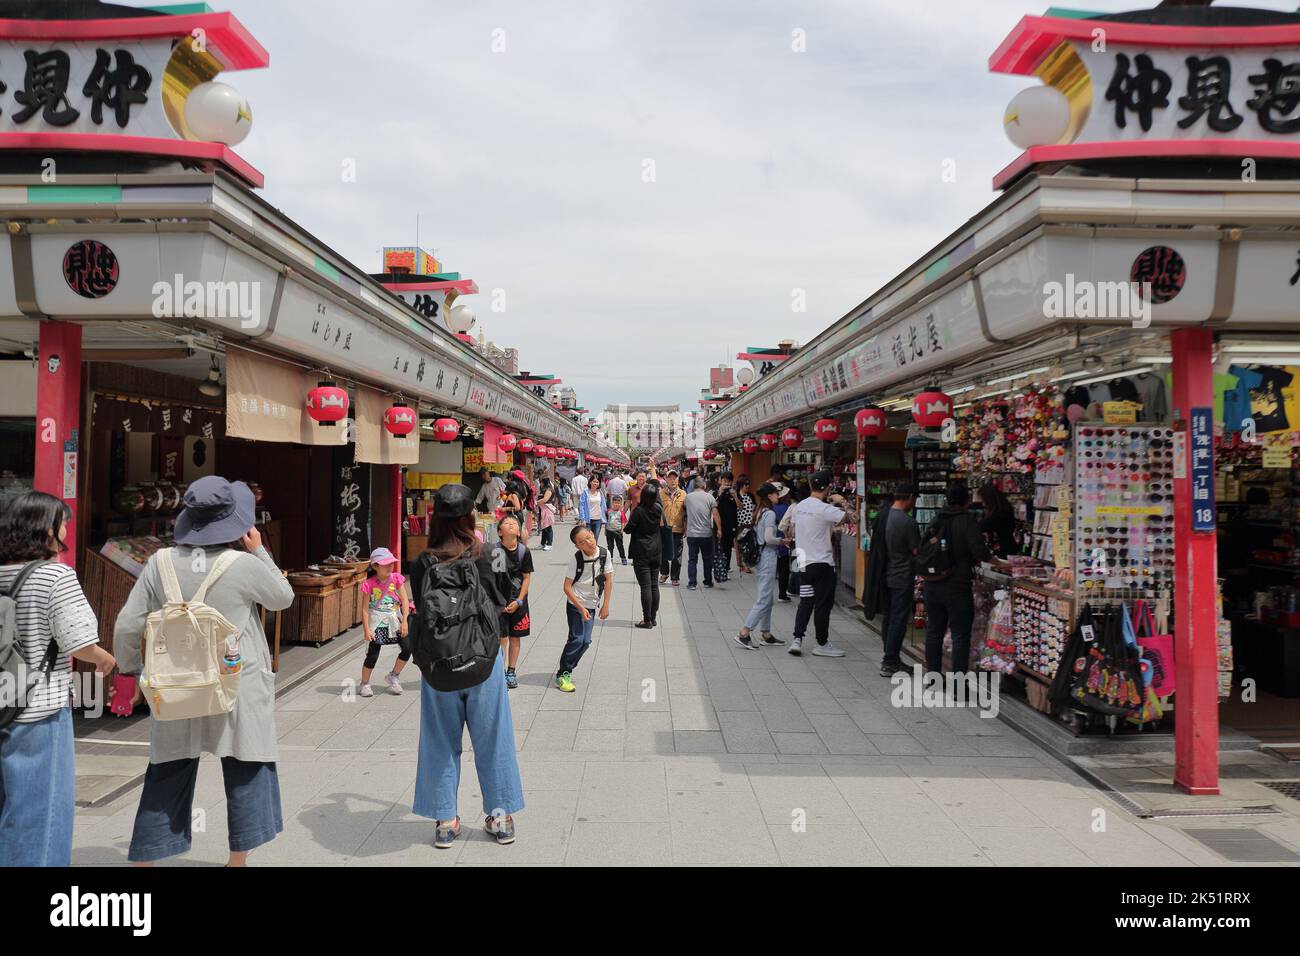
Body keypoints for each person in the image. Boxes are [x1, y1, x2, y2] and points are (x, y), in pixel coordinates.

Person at [115, 476, 295, 866]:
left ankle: (146, 860)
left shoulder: (159, 562)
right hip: (235, 684)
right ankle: (237, 862)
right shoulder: (243, 564)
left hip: (176, 683)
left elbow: (128, 624)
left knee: (168, 770)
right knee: (245, 765)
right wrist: (261, 551)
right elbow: (282, 598)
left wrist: (133, 673)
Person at [0, 491, 116, 867]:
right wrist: (105, 660)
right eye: (61, 521)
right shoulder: (55, 575)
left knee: (8, 814)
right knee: (41, 817)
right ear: (46, 529)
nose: (65, 528)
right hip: (38, 713)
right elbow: (80, 643)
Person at [408, 483, 523, 848]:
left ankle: (445, 820)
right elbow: (505, 593)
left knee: (440, 740)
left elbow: (420, 612)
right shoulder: (489, 552)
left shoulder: (424, 561)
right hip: (484, 662)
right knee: (493, 737)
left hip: (439, 666)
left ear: (435, 518)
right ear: (471, 516)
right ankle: (500, 815)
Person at [922, 483, 990, 676]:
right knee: (960, 636)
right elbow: (979, 551)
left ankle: (933, 677)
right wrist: (995, 561)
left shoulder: (935, 519)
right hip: (957, 586)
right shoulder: (967, 522)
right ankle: (960, 684)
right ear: (967, 501)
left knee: (934, 631)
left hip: (932, 583)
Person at [787, 470, 850, 658]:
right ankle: (822, 643)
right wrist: (842, 501)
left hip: (803, 563)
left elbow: (794, 529)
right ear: (828, 487)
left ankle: (797, 639)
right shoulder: (825, 509)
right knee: (822, 604)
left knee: (805, 601)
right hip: (822, 564)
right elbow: (853, 518)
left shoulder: (799, 507)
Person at [556, 525, 612, 693]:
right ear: (577, 546)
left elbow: (608, 580)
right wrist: (580, 607)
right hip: (576, 604)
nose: (589, 542)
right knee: (577, 639)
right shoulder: (576, 559)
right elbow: (566, 587)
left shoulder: (604, 554)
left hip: (592, 604)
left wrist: (606, 604)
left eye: (589, 537)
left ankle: (568, 666)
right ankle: (563, 673)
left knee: (586, 642)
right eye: (583, 541)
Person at [735, 483, 788, 649]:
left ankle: (766, 633)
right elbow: (768, 538)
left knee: (768, 597)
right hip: (767, 556)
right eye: (776, 493)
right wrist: (782, 540)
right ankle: (744, 632)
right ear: (770, 496)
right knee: (764, 598)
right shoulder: (770, 513)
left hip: (759, 556)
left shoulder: (760, 511)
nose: (778, 496)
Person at [485, 516, 532, 691]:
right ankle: (499, 672)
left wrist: (519, 600)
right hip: (499, 603)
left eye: (514, 523)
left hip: (519, 602)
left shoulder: (523, 551)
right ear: (499, 532)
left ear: (519, 532)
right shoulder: (495, 551)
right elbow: (494, 578)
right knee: (501, 638)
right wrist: (498, 601)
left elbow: (526, 577)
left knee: (515, 637)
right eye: (506, 523)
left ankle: (511, 672)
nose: (511, 524)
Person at [358, 546, 411, 698]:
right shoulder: (369, 584)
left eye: (391, 563)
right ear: (375, 566)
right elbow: (365, 609)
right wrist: (366, 629)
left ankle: (394, 675)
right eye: (386, 564)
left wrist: (405, 620)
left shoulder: (396, 579)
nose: (390, 566)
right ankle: (365, 683)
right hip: (377, 620)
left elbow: (405, 601)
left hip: (395, 618)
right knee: (373, 654)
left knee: (408, 648)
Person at [879, 483, 920, 677]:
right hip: (902, 575)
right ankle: (889, 661)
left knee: (889, 617)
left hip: (886, 573)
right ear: (910, 497)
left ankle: (891, 657)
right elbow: (916, 551)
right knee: (898, 619)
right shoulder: (908, 522)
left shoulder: (884, 516)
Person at [625, 485, 664, 628]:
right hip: (656, 550)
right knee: (654, 585)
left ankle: (646, 620)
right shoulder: (658, 508)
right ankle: (653, 618)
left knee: (646, 586)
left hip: (641, 551)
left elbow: (628, 529)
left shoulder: (638, 511)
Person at [683, 477, 722, 590]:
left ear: (694, 486)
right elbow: (715, 514)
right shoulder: (710, 497)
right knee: (707, 558)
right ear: (704, 486)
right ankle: (708, 581)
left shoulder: (688, 497)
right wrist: (719, 529)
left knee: (692, 559)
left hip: (692, 534)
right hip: (706, 534)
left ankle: (692, 583)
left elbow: (684, 512)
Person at [658, 470, 687, 586]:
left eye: (675, 478)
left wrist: (687, 526)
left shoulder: (684, 494)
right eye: (670, 478)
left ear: (678, 480)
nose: (673, 480)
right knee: (662, 552)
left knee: (677, 554)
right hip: (663, 527)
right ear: (666, 479)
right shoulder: (661, 493)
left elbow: (687, 512)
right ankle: (664, 573)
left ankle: (675, 577)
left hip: (678, 527)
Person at [975, 481, 1017, 559]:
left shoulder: (998, 515)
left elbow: (982, 526)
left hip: (1003, 553)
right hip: (1008, 550)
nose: (983, 504)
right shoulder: (1004, 511)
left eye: (983, 501)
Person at [771, 482, 793, 601]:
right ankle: (782, 593)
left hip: (771, 543)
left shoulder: (767, 508)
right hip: (783, 542)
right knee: (784, 569)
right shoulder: (786, 508)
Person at [715, 472, 738, 579]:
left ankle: (726, 567)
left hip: (731, 525)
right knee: (719, 547)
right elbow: (713, 507)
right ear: (720, 481)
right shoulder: (716, 492)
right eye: (725, 481)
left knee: (728, 548)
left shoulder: (734, 493)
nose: (727, 484)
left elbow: (741, 507)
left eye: (729, 481)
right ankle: (719, 567)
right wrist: (719, 494)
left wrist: (735, 497)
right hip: (719, 525)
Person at [578, 474, 607, 539]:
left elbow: (603, 506)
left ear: (599, 483)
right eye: (594, 481)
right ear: (590, 482)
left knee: (595, 539)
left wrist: (605, 518)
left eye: (597, 482)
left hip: (598, 520)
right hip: (588, 520)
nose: (595, 483)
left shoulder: (600, 493)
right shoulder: (585, 493)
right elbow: (581, 506)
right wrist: (582, 519)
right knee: (588, 539)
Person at [605, 493, 629, 565]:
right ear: (612, 503)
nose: (617, 504)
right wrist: (605, 530)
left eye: (618, 503)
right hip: (609, 531)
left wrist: (622, 529)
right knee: (610, 546)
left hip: (618, 531)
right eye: (615, 503)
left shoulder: (621, 513)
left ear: (621, 504)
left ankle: (623, 558)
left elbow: (623, 522)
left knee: (620, 546)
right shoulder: (608, 511)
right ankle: (610, 559)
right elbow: (606, 521)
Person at [537, 472, 557, 551]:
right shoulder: (543, 489)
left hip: (547, 509)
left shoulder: (548, 490)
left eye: (541, 482)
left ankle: (549, 543)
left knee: (548, 527)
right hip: (542, 509)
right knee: (543, 527)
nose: (540, 483)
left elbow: (545, 499)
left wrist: (535, 502)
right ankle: (543, 543)